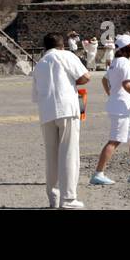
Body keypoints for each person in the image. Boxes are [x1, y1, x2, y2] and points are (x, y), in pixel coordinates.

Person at [31, 33, 90, 209]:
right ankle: (69, 198)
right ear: (62, 45)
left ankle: (54, 197)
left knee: (51, 155)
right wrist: (73, 81)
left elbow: (36, 95)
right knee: (69, 153)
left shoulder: (39, 64)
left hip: (46, 111)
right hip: (66, 108)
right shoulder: (66, 55)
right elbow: (86, 77)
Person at [91, 34, 130, 186]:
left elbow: (104, 79)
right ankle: (98, 174)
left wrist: (111, 94)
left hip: (124, 106)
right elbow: (127, 85)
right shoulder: (124, 63)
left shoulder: (116, 62)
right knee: (115, 140)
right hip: (121, 107)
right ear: (127, 48)